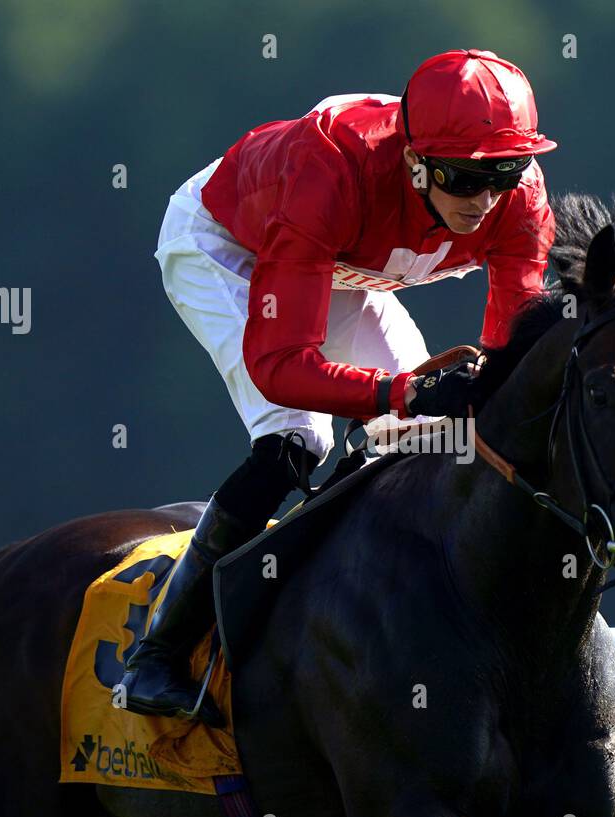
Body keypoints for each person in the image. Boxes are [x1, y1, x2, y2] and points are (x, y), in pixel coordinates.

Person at [118, 49, 557, 722]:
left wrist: (442, 404)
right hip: (229, 247)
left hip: (349, 264)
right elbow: (280, 366)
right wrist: (398, 391)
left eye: (506, 171)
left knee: (443, 437)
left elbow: (506, 361)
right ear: (416, 161)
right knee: (296, 437)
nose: (487, 199)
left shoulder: (519, 200)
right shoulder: (329, 171)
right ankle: (158, 652)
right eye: (465, 178)